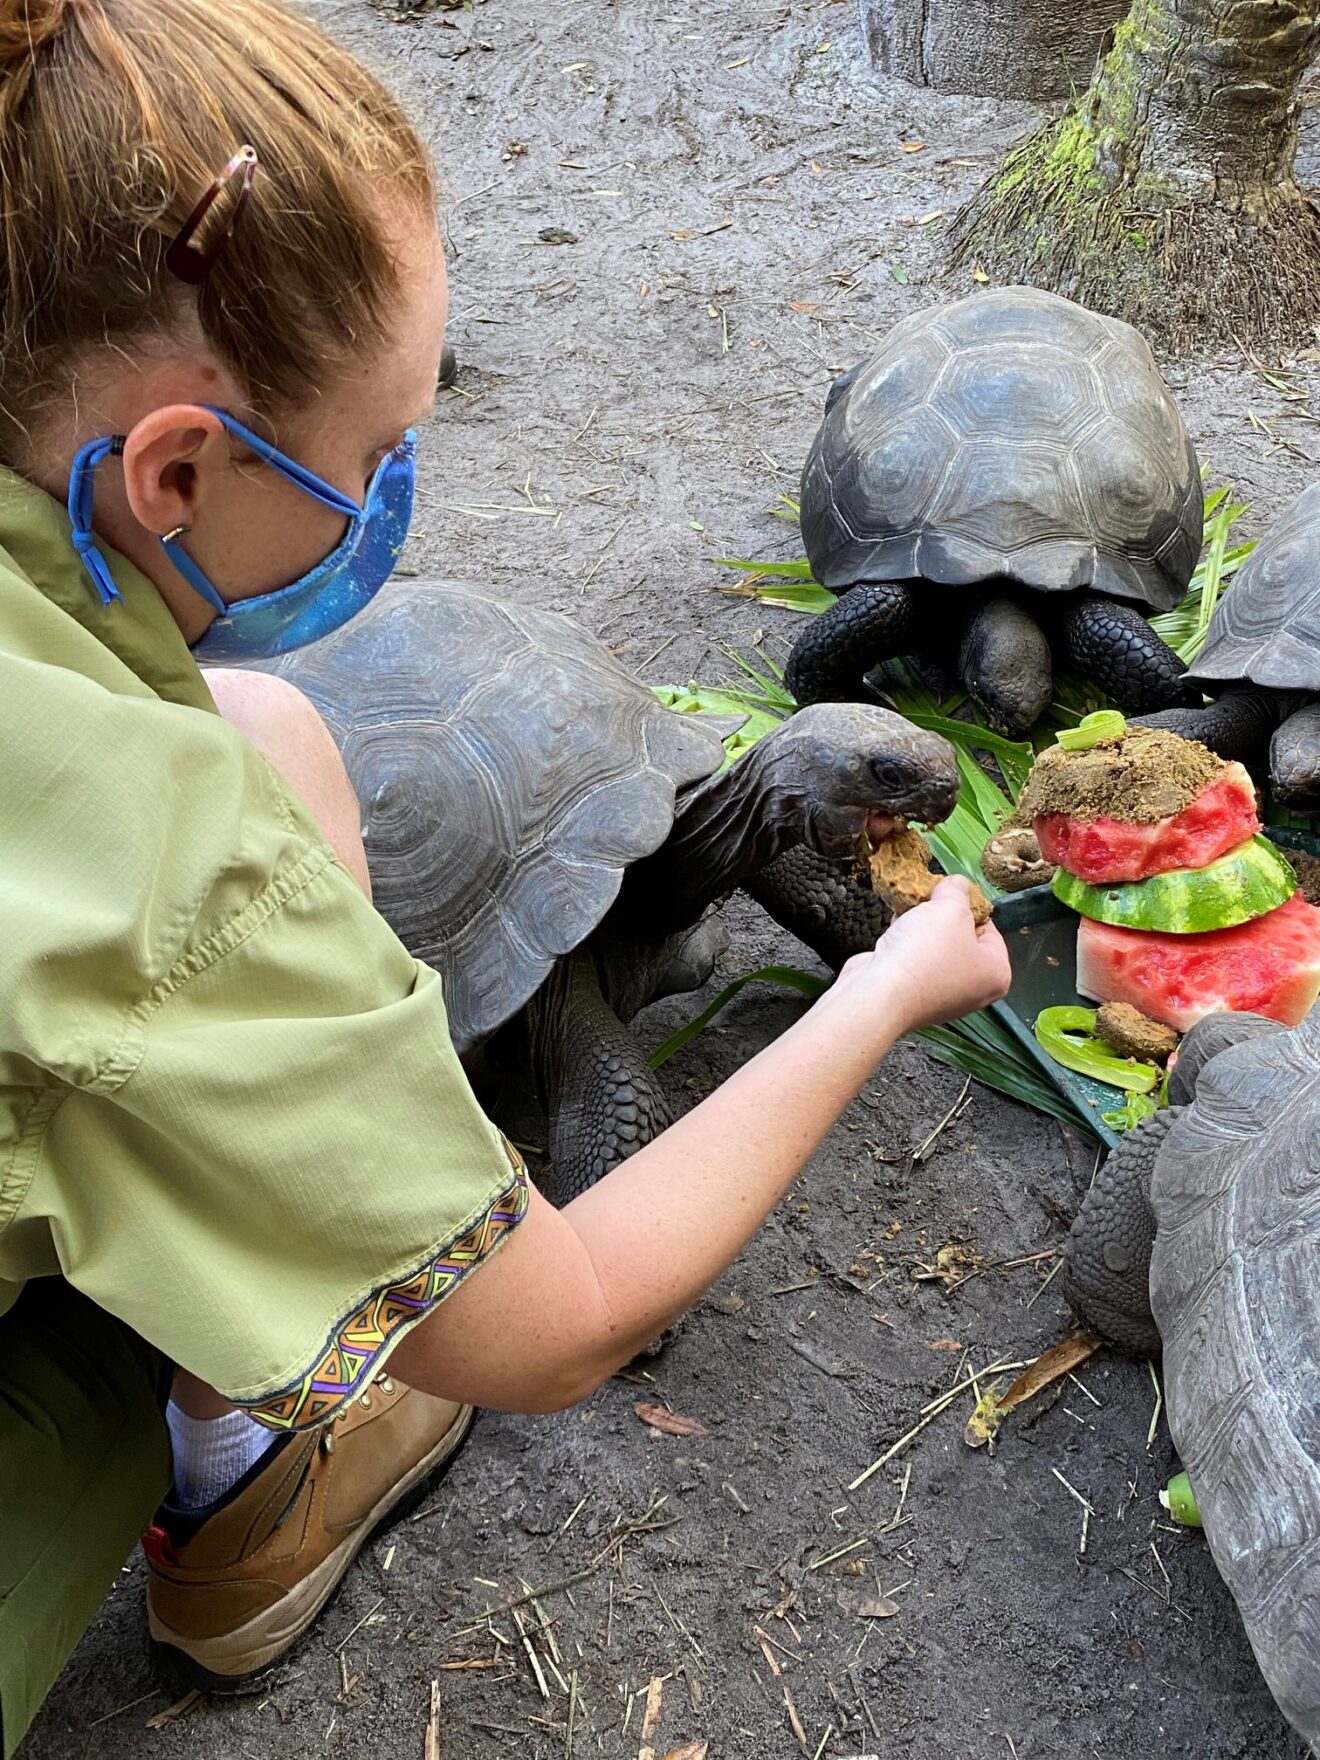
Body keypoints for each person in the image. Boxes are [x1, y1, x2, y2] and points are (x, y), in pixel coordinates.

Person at [0, 0, 1012, 1749]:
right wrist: (881, 992)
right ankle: (244, 1473)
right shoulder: (157, 850)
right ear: (170, 471)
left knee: (271, 717)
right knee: (176, 1281)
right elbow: (561, 1326)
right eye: (373, 460)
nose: (388, 503)